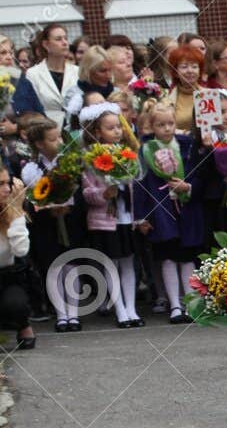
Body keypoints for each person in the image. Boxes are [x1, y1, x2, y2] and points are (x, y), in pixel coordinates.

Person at [134, 99, 204, 322]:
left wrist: (188, 187)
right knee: (167, 257)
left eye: (170, 123)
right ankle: (174, 304)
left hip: (187, 209)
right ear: (152, 126)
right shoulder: (146, 150)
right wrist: (141, 216)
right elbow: (140, 184)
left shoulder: (187, 145)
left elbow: (199, 173)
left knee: (187, 257)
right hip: (161, 211)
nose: (166, 129)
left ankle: (190, 303)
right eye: (160, 125)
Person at [19, 114, 85, 330]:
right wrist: (47, 207)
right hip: (46, 223)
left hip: (70, 218)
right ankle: (61, 314)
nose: (59, 142)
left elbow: (79, 190)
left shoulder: (69, 162)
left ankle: (73, 314)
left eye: (60, 137)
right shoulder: (32, 168)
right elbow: (33, 197)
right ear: (39, 144)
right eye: (53, 139)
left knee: (71, 263)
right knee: (54, 265)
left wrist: (68, 205)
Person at [79, 102, 141, 326]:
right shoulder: (89, 157)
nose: (117, 131)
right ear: (97, 132)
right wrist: (104, 194)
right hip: (105, 219)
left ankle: (132, 309)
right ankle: (120, 309)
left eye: (118, 127)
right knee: (111, 263)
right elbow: (87, 192)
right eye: (110, 128)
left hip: (125, 216)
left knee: (128, 262)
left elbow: (136, 183)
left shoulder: (126, 154)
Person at [13, 24, 78, 127]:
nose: (65, 43)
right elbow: (31, 108)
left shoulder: (77, 71)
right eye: (58, 39)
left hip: (75, 129)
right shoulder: (33, 74)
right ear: (46, 44)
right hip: (46, 129)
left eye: (65, 38)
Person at [0, 164, 34, 348]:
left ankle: (23, 324)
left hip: (8, 277)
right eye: (0, 184)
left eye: (8, 183)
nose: (7, 189)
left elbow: (21, 250)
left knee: (15, 304)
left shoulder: (13, 210)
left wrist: (17, 212)